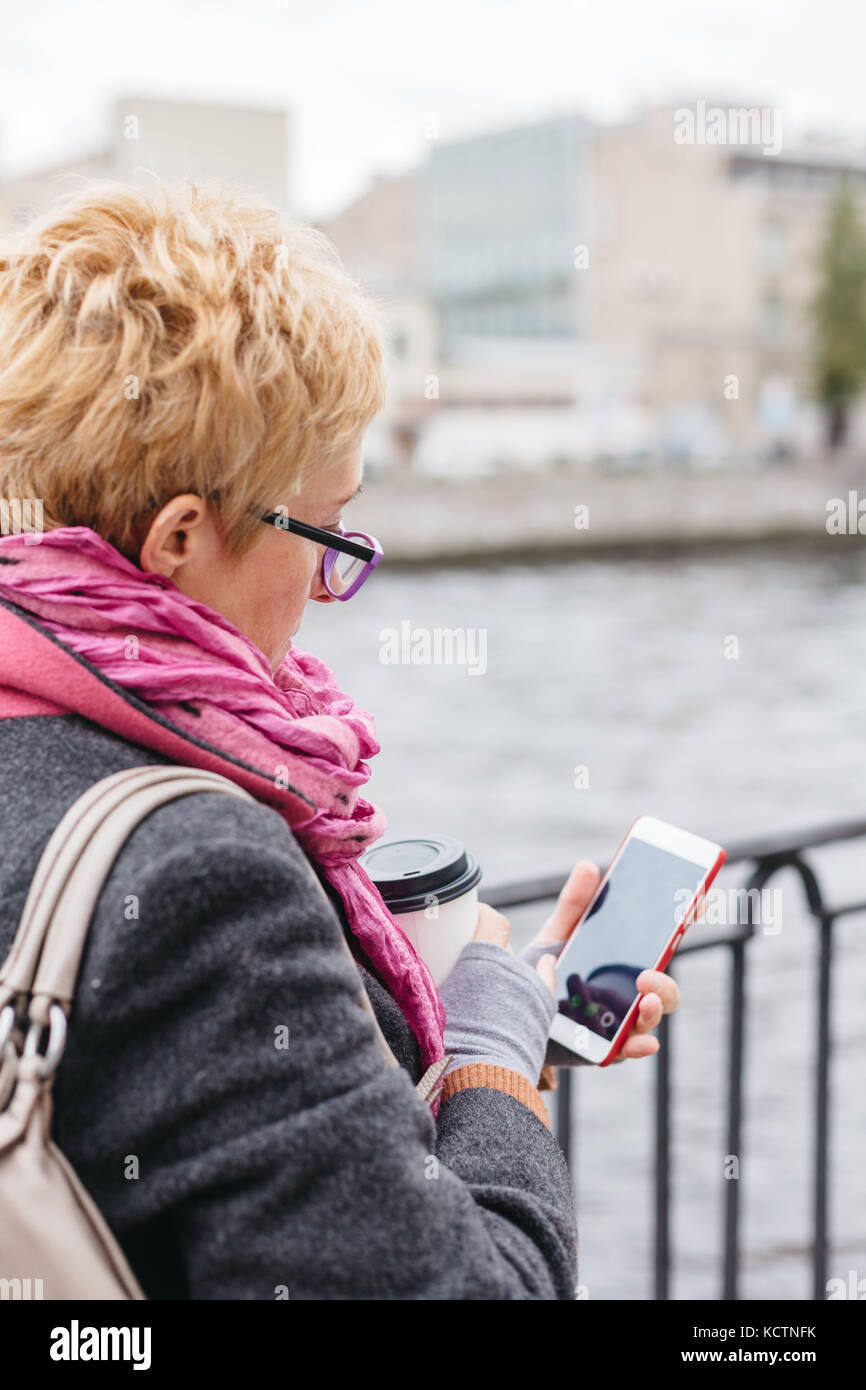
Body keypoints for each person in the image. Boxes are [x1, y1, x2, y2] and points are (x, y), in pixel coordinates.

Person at [0, 180, 678, 1300]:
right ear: (180, 534)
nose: (328, 583)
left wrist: (386, 1018)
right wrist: (487, 1066)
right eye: (327, 530)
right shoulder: (198, 879)